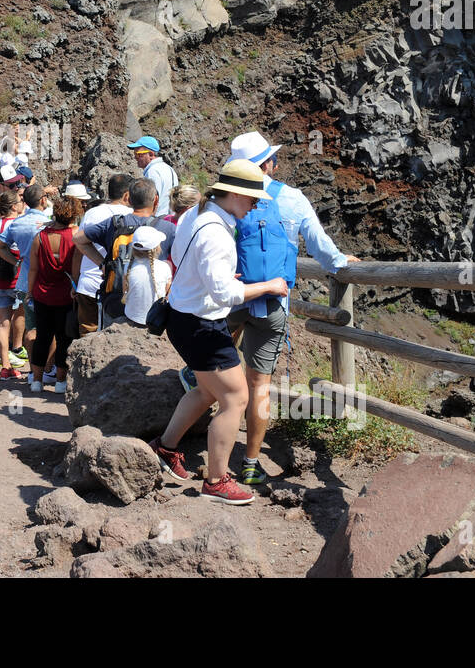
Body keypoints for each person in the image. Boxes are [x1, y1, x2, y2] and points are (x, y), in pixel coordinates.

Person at [211, 130, 362, 487]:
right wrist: (342, 263)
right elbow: (319, 245)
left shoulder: (228, 195)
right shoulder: (292, 199)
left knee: (215, 369)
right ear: (268, 163)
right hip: (273, 300)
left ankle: (207, 438)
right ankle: (249, 463)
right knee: (259, 384)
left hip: (233, 296)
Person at [149, 159, 289, 505]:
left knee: (206, 392)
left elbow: (182, 256)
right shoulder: (216, 232)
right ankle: (217, 480)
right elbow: (224, 295)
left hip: (183, 317)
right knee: (236, 399)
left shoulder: (196, 214)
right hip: (203, 325)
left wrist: (219, 278)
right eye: (252, 200)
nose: (254, 206)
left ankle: (166, 448)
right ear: (235, 194)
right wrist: (268, 286)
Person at [73, 178, 175, 328]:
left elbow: (78, 239)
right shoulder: (167, 228)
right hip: (152, 307)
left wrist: (103, 264)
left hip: (116, 301)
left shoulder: (114, 223)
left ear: (129, 199)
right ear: (156, 200)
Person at [24, 195, 83, 394]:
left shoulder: (39, 237)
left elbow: (33, 269)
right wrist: (75, 288)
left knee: (43, 337)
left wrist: (29, 292)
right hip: (66, 295)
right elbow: (75, 269)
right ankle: (60, 382)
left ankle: (36, 381)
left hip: (42, 294)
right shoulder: (75, 235)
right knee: (64, 338)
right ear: (74, 215)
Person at [0, 184, 52, 384]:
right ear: (43, 200)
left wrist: (16, 261)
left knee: (31, 328)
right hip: (47, 281)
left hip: (24, 279)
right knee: (49, 328)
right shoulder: (48, 223)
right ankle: (46, 369)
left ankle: (33, 371)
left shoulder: (16, 224)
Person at [69, 173, 132, 337]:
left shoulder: (92, 213)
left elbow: (78, 250)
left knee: (86, 335)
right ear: (127, 194)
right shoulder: (132, 215)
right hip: (119, 287)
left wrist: (76, 282)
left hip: (88, 283)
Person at [0, 190, 24, 378]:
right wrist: (16, 262)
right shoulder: (17, 224)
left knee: (2, 322)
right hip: (16, 280)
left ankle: (5, 365)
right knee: (21, 317)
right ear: (14, 206)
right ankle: (20, 355)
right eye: (20, 201)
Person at [123, 225, 172, 327]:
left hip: (132, 316)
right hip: (155, 319)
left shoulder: (127, 266)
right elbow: (169, 295)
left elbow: (125, 291)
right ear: (156, 248)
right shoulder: (164, 267)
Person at [128, 136, 179, 217]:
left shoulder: (153, 172)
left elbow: (150, 200)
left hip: (157, 219)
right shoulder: (169, 169)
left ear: (151, 154)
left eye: (138, 154)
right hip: (169, 219)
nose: (135, 158)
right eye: (134, 154)